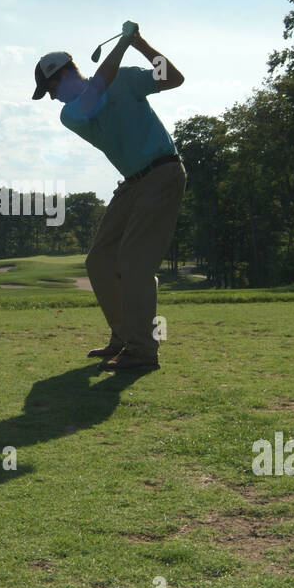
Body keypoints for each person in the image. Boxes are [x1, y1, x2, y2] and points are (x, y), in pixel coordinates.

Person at [32, 22, 187, 371]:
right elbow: (97, 90)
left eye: (50, 87)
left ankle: (143, 351)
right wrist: (123, 43)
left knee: (134, 261)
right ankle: (123, 337)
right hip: (133, 183)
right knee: (99, 261)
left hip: (163, 172)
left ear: (65, 74)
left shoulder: (126, 78)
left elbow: (173, 78)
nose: (52, 97)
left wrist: (142, 44)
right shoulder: (70, 113)